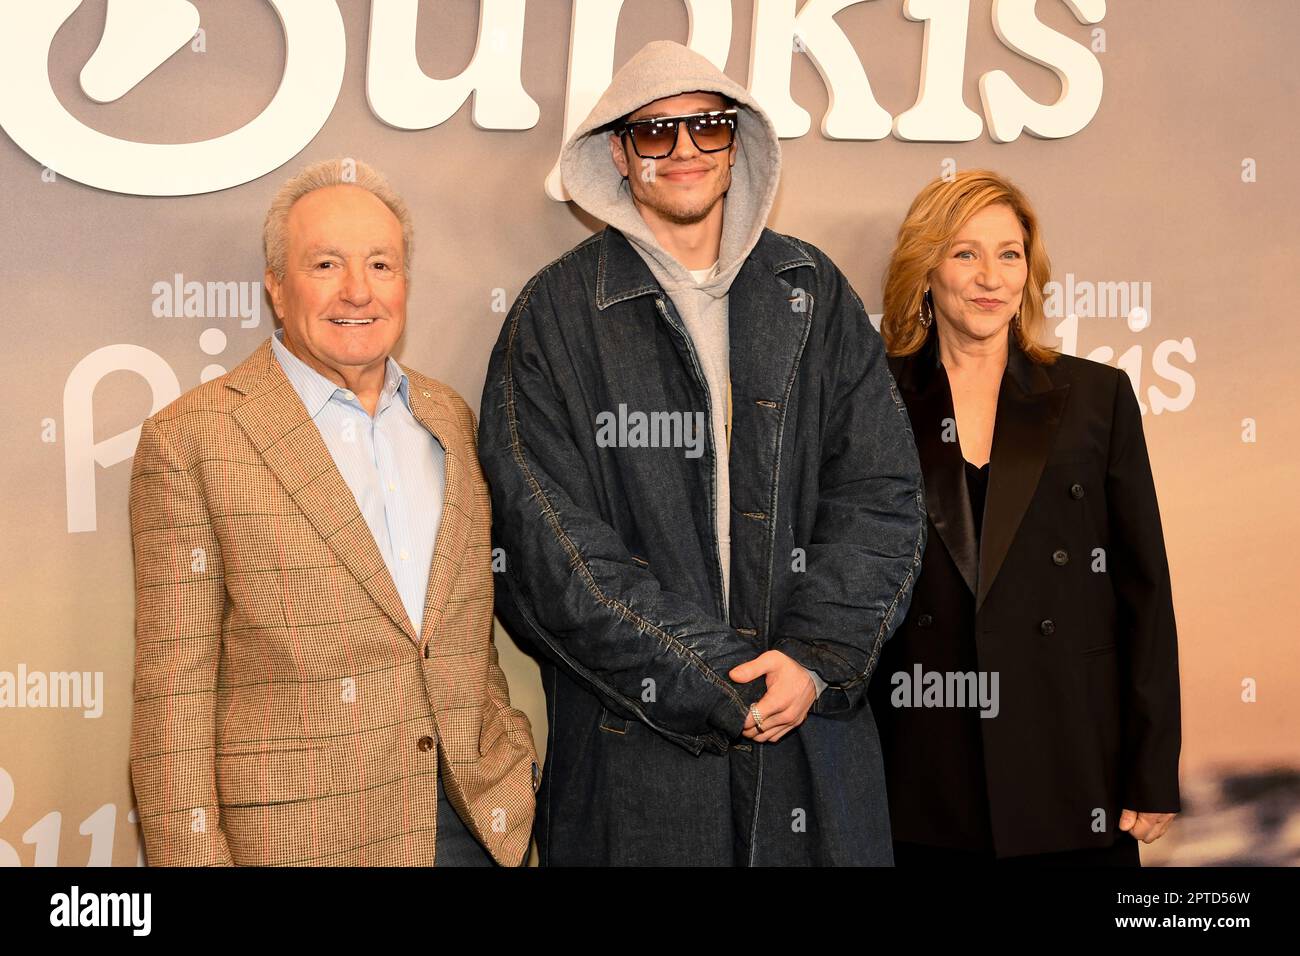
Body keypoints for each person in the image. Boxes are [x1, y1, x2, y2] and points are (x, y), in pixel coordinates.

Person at [477, 40, 925, 865]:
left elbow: (882, 498)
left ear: (736, 143)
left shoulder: (812, 291)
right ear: (618, 153)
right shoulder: (555, 317)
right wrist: (717, 679)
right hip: (638, 763)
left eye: (707, 127)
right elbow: (546, 555)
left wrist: (812, 660)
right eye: (656, 133)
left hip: (811, 749)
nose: (683, 150)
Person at [128, 158, 538, 866]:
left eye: (381, 265)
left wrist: (509, 746)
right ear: (277, 289)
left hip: (476, 828)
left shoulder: (448, 418)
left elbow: (461, 633)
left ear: (405, 283)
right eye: (326, 264)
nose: (358, 291)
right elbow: (173, 698)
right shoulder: (191, 440)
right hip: (303, 845)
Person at [869, 169, 1181, 865]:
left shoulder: (1096, 397)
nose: (990, 277)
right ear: (926, 270)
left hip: (1069, 765)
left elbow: (1144, 591)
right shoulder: (871, 398)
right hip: (920, 772)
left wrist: (1152, 767)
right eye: (965, 253)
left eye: (1009, 254)